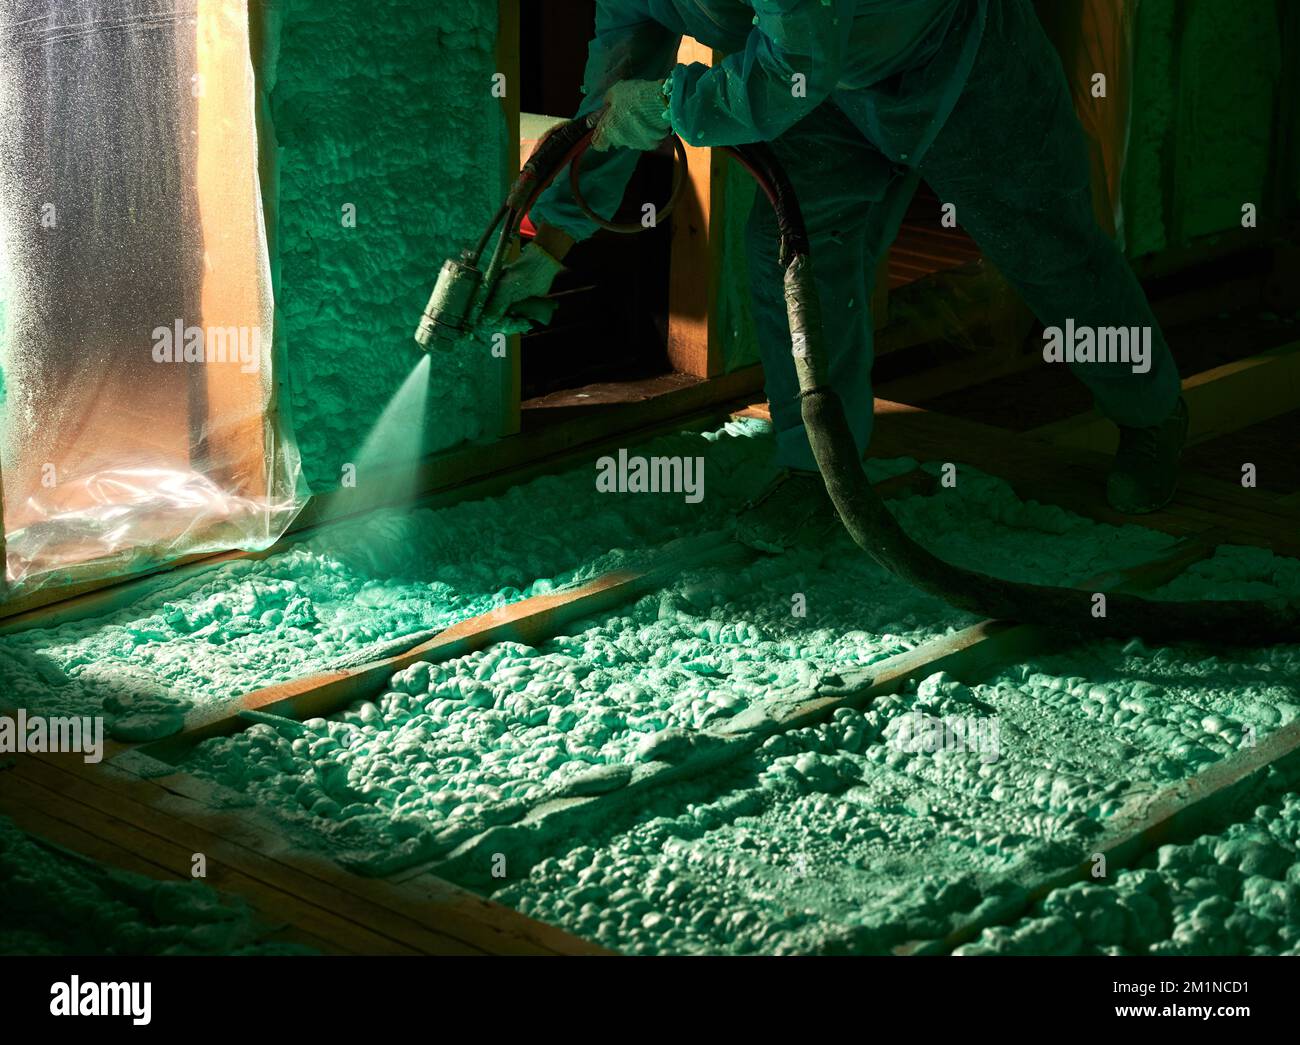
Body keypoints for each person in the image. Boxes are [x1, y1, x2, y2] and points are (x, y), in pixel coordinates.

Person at [485, 0, 1187, 551]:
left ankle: (1151, 413)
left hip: (959, 53)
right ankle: (819, 469)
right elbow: (611, 100)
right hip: (823, 85)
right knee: (791, 249)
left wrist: (674, 105)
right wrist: (544, 247)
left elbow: (792, 61)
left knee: (1045, 245)